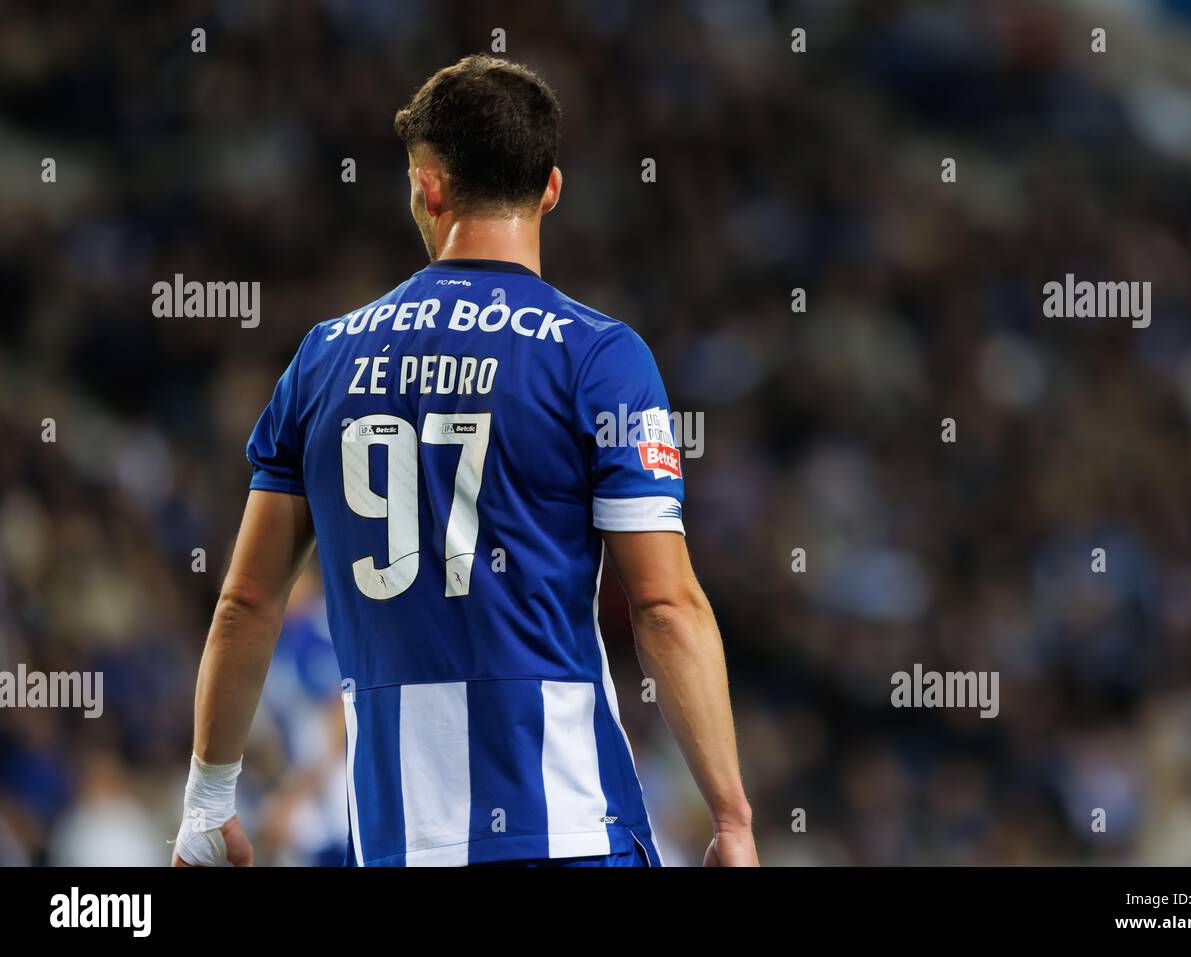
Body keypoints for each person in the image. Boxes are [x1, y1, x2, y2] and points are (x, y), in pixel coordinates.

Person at [172, 54, 757, 867]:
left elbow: (245, 601)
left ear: (428, 185)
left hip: (396, 840)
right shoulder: (599, 359)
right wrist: (731, 817)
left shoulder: (321, 360)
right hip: (569, 831)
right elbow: (664, 606)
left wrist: (207, 799)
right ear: (551, 188)